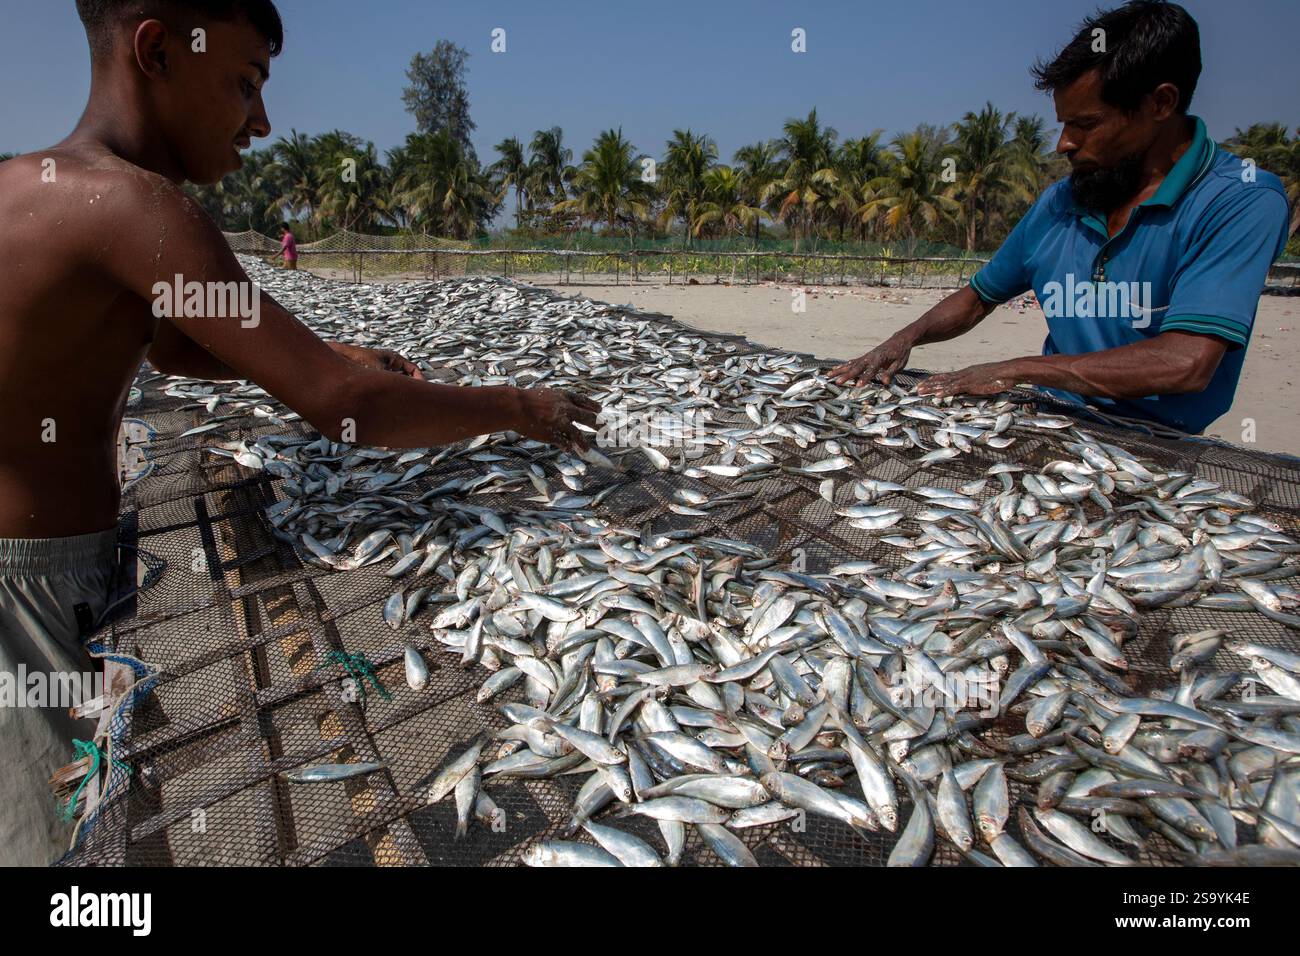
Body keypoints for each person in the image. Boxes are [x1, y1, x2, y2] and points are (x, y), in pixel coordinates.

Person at [0, 0, 599, 865]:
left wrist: (331, 352)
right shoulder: (136, 207)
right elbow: (343, 411)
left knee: (98, 807)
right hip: (23, 595)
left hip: (54, 566)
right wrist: (519, 409)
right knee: (62, 850)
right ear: (157, 50)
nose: (262, 120)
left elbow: (173, 345)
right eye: (246, 84)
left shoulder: (45, 183)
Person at [832, 1, 1290, 436]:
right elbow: (978, 297)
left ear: (1161, 103)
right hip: (1052, 414)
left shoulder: (1240, 201)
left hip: (1159, 437)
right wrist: (906, 337)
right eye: (1063, 124)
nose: (1063, 144)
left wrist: (1016, 369)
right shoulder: (1061, 201)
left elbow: (1186, 362)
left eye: (1086, 124)